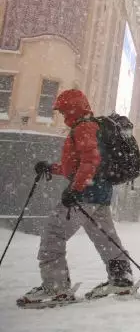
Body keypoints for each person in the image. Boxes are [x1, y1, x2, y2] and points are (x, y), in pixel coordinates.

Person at [18, 89, 133, 305]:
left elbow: (90, 161)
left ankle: (55, 287)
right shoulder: (94, 127)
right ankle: (121, 278)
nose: (63, 116)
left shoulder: (84, 128)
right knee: (106, 238)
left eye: (64, 111)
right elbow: (77, 165)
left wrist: (75, 189)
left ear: (74, 108)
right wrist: (52, 168)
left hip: (85, 194)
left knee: (53, 234)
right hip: (100, 194)